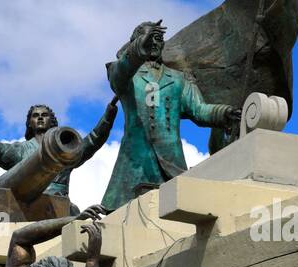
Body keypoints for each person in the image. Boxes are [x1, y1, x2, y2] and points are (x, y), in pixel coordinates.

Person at [101, 20, 241, 211]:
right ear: (137, 42)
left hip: (171, 163)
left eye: (158, 38)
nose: (154, 43)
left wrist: (225, 113)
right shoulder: (124, 73)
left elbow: (200, 110)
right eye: (149, 38)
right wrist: (138, 48)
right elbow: (121, 72)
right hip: (134, 165)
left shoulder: (179, 78)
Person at [0, 92, 118, 199]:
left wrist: (109, 114)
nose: (40, 118)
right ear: (29, 123)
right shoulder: (21, 150)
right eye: (35, 116)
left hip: (57, 202)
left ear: (51, 121)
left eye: (44, 115)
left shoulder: (66, 146)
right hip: (27, 202)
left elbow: (93, 140)